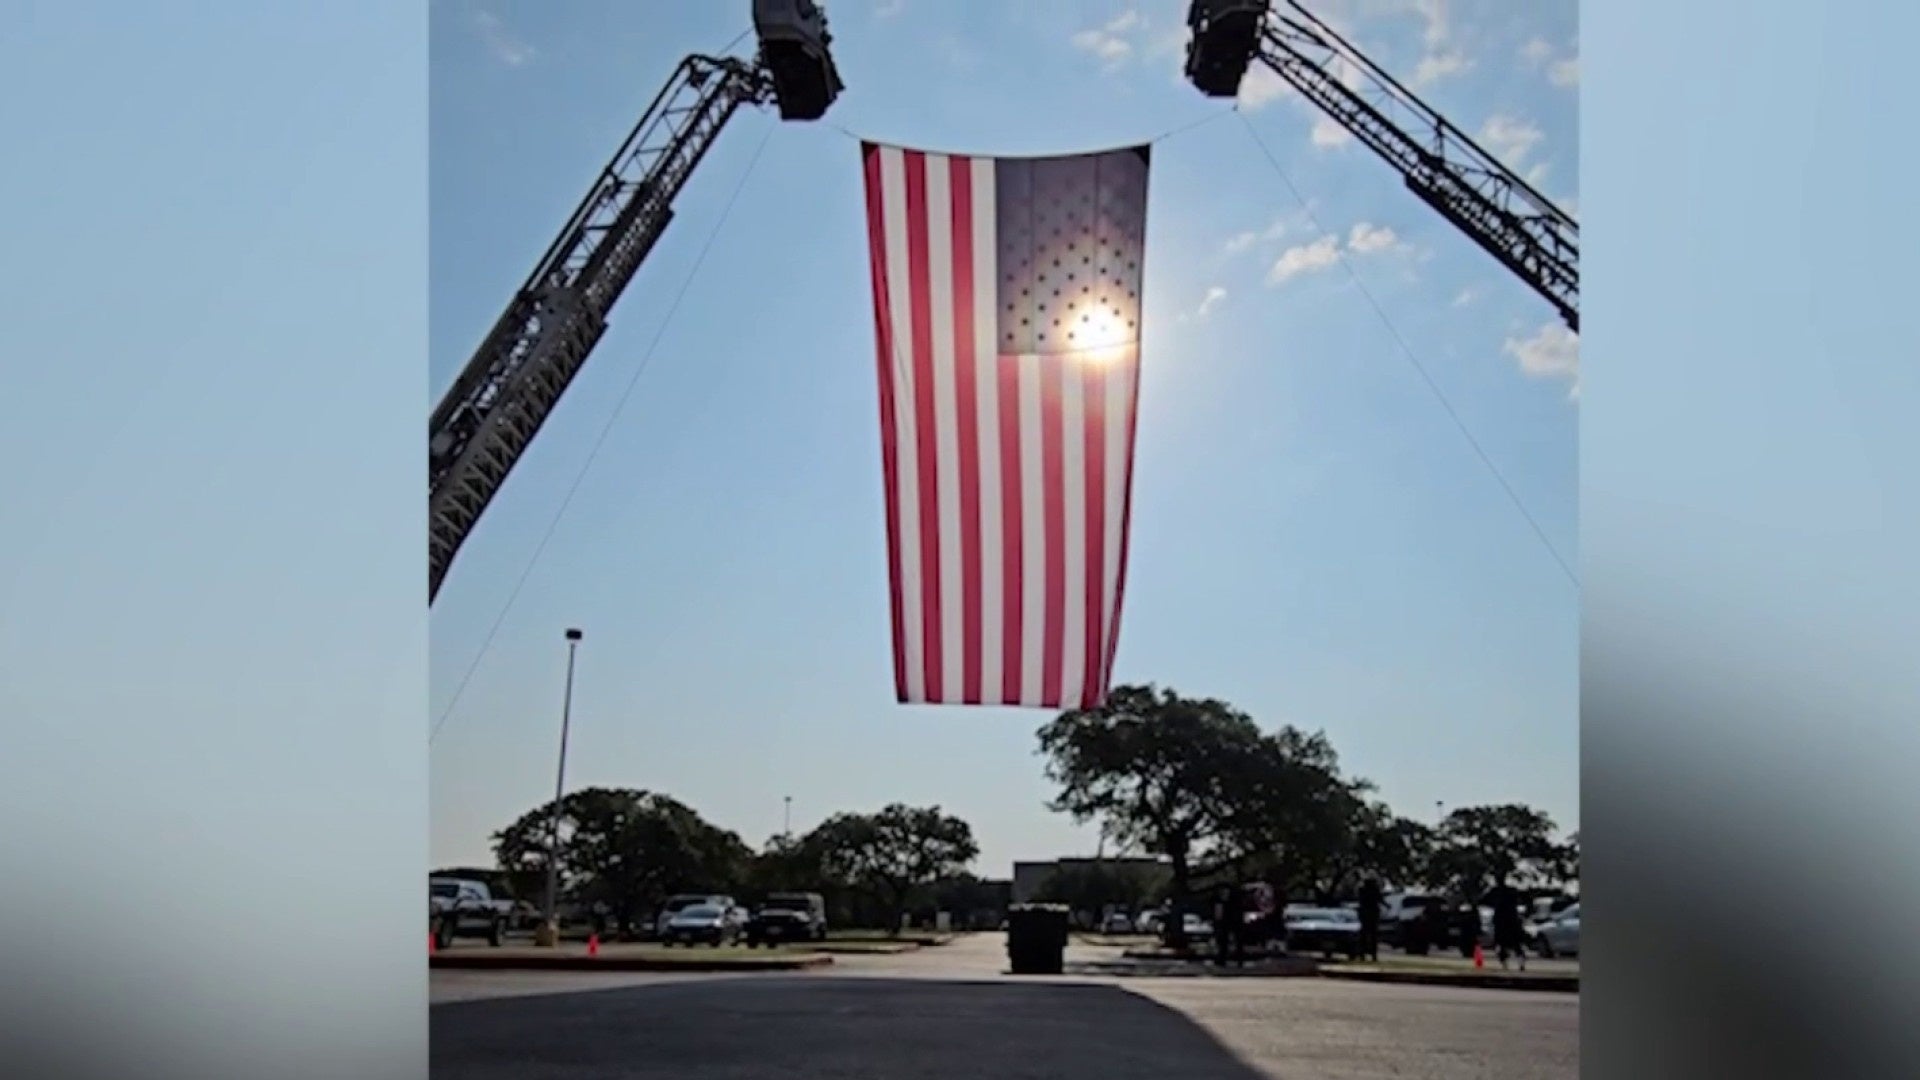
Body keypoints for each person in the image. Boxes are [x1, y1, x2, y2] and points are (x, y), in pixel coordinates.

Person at [1488, 880, 1527, 971]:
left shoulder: (1498, 899)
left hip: (1503, 926)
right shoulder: (1512, 903)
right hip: (1512, 924)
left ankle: (1505, 965)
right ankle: (1520, 963)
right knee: (1516, 946)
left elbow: (1495, 917)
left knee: (1502, 946)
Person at [1357, 873, 1383, 961]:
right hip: (1371, 914)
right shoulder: (1373, 890)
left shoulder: (1362, 889)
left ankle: (1364, 954)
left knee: (1366, 935)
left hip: (1366, 914)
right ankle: (1371, 955)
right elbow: (1380, 899)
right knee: (1372, 935)